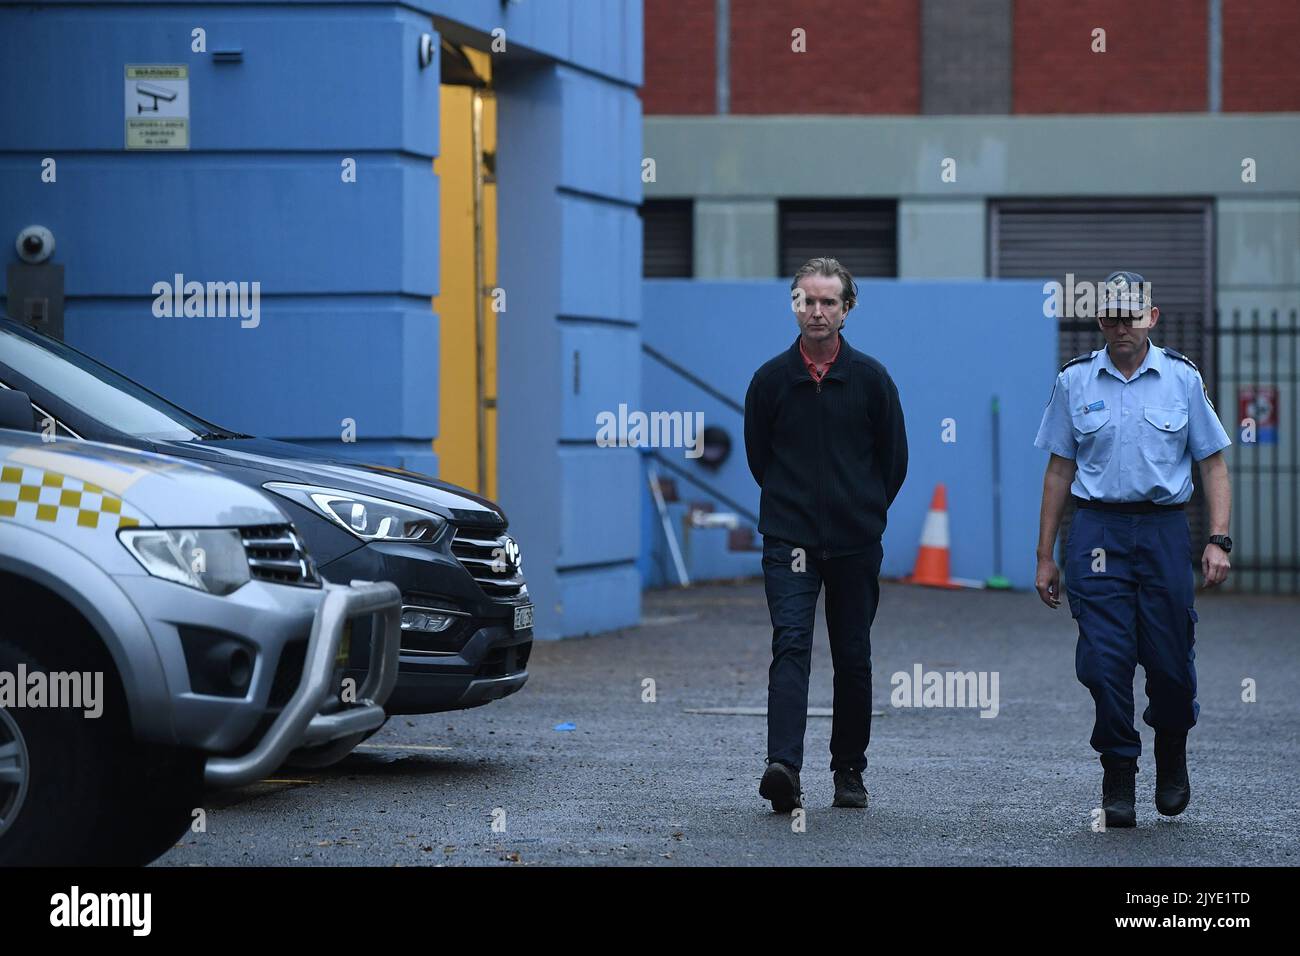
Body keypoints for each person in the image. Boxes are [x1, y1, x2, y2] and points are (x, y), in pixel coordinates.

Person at [1033, 270, 1232, 828]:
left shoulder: (1181, 379)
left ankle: (1171, 748)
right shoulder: (1075, 382)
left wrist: (1218, 538)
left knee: (1170, 660)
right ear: (1100, 321)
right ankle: (1118, 769)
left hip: (1164, 530)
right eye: (1112, 316)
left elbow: (1213, 463)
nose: (1122, 325)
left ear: (1152, 316)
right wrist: (1045, 555)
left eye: (1132, 314)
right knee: (1102, 660)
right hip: (1097, 530)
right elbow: (1058, 469)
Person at [743, 256, 908, 813]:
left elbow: (894, 462)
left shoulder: (871, 380)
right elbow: (759, 460)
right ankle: (783, 767)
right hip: (789, 539)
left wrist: (861, 512)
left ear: (846, 309)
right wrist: (794, 510)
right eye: (807, 301)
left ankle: (848, 771)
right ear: (795, 306)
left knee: (852, 656)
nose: (816, 311)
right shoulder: (770, 381)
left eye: (828, 302)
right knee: (790, 644)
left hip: (855, 542)